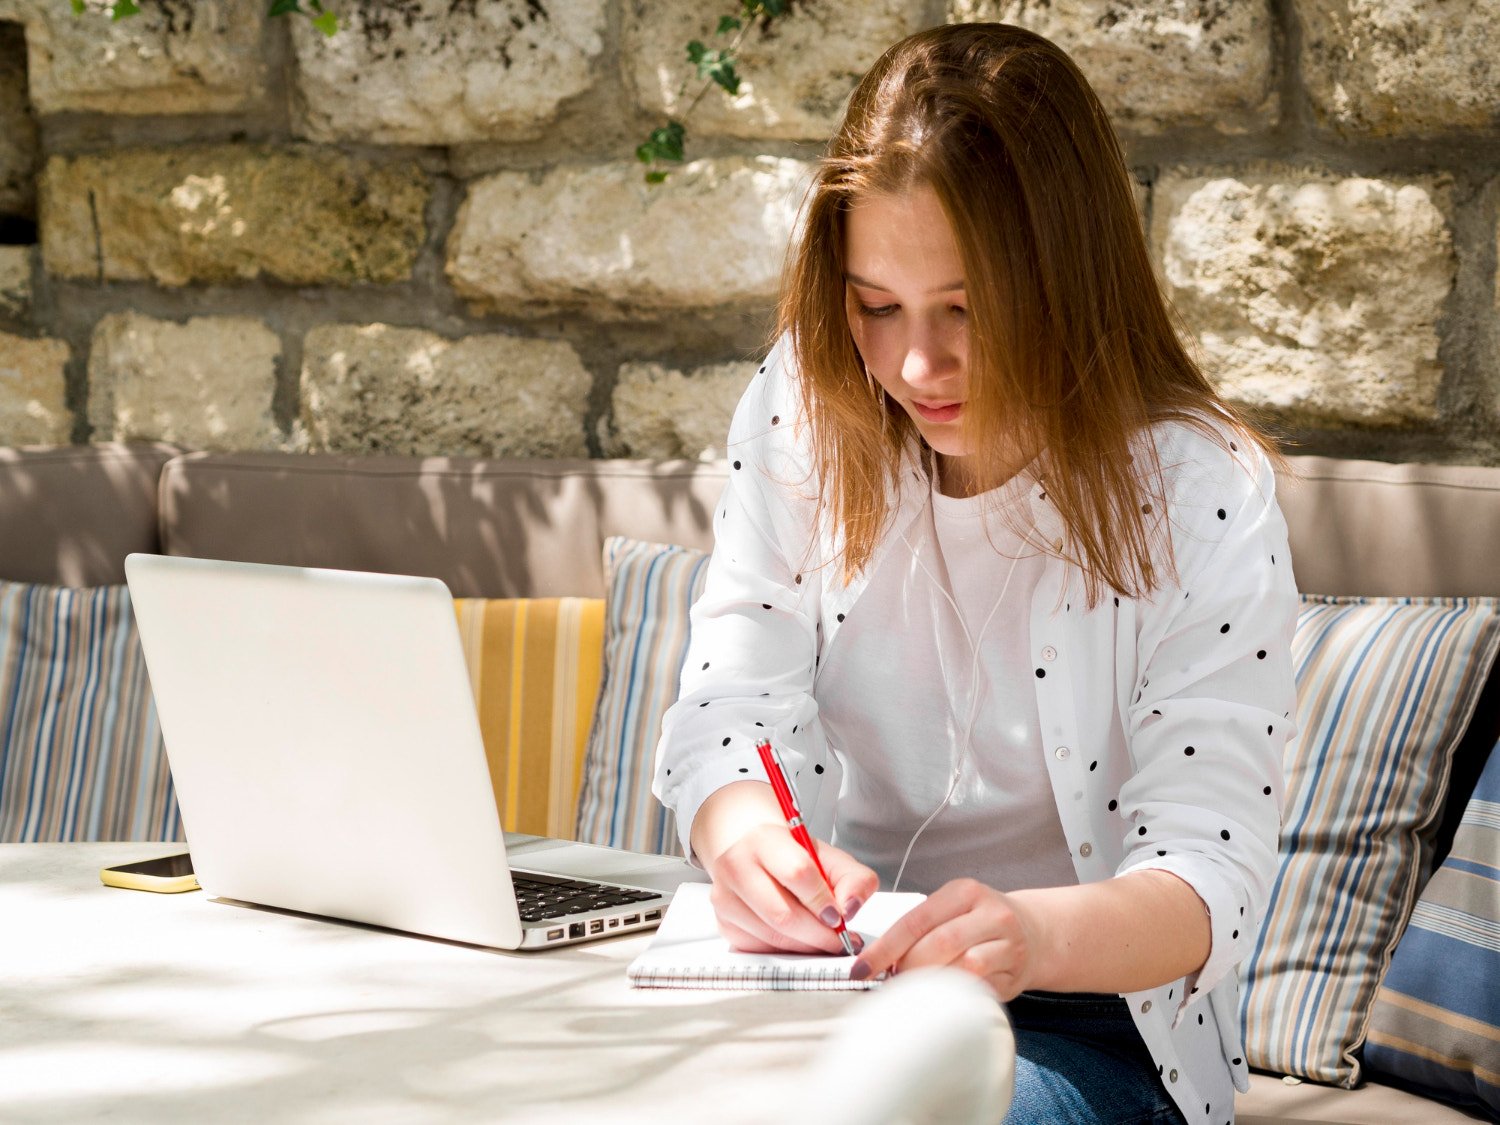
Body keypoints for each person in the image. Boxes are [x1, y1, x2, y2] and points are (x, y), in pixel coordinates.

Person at [653, 21, 1297, 1125]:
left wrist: (1027, 935)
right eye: (875, 306)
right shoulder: (804, 408)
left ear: (1069, 278)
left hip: (1084, 1017)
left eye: (967, 308)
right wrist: (745, 836)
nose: (915, 365)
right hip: (835, 982)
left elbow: (1208, 877)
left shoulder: (1202, 493)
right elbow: (730, 701)